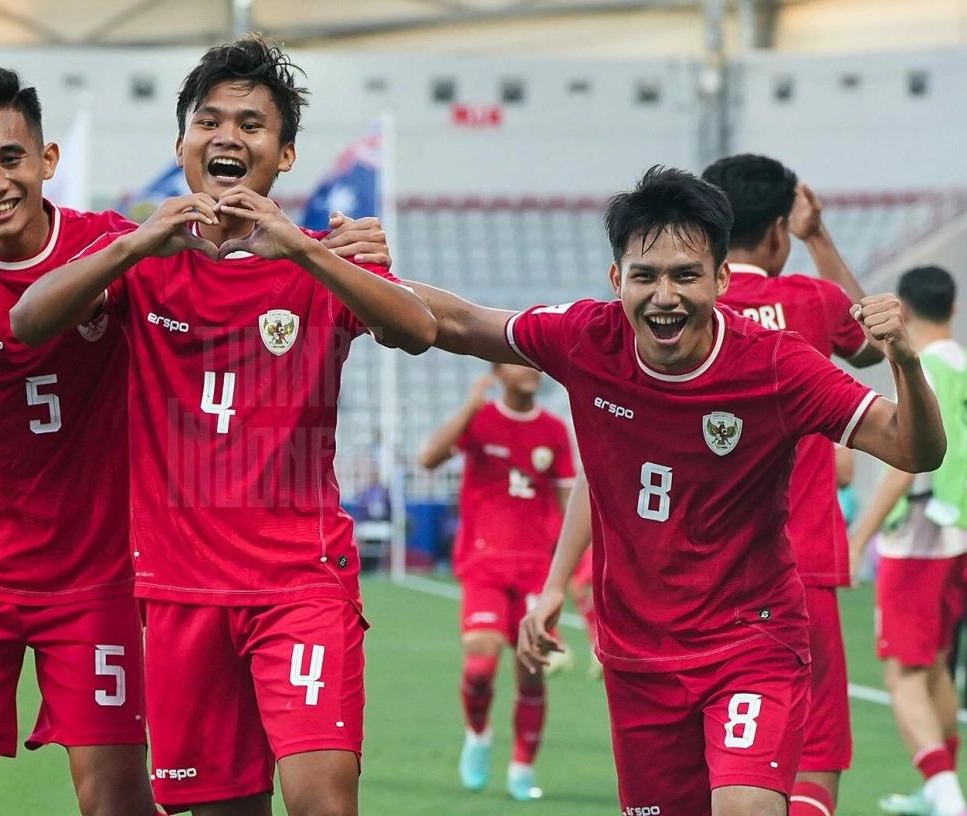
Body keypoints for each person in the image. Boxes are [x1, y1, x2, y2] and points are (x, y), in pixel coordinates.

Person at [0, 65, 387, 816]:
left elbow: (227, 260)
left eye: (11, 159)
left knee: (120, 803)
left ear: (47, 160)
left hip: (99, 582)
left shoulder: (116, 245)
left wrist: (330, 247)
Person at [390, 166, 944, 816]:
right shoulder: (586, 340)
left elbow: (915, 448)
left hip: (752, 637)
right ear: (616, 279)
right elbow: (457, 323)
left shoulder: (776, 362)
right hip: (639, 656)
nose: (665, 296)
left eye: (686, 275)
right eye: (647, 276)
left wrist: (905, 361)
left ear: (721, 281)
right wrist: (323, 263)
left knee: (753, 805)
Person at [10, 35, 433, 816]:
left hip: (299, 584)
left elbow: (415, 328)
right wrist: (136, 241)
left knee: (324, 803)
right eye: (210, 121)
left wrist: (303, 251)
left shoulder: (320, 260)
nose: (229, 137)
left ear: (286, 154)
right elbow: (28, 321)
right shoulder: (140, 260)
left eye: (252, 124)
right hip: (178, 594)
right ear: (182, 144)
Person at [704, 153, 884, 816]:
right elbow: (871, 340)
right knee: (810, 759)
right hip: (799, 566)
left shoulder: (689, 309)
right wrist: (818, 237)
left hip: (696, 580)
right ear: (778, 230)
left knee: (709, 764)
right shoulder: (811, 301)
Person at [417, 364, 575, 800]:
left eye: (533, 363)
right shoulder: (480, 421)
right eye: (517, 362)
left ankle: (522, 768)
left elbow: (568, 505)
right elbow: (429, 459)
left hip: (535, 572)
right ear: (497, 371)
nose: (530, 370)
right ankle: (478, 735)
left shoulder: (554, 430)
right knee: (481, 665)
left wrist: (578, 574)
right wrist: (470, 405)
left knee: (530, 676)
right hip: (484, 564)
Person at [848, 266, 966, 816]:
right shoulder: (963, 362)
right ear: (954, 308)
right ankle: (942, 784)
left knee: (902, 670)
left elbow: (910, 456)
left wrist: (859, 535)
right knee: (936, 663)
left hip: (921, 535)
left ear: (909, 312)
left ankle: (945, 792)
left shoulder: (930, 366)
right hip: (955, 535)